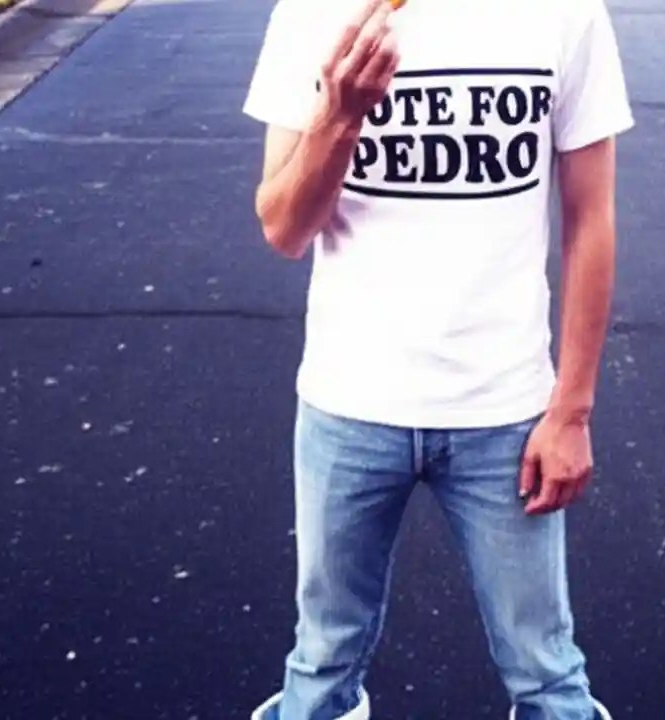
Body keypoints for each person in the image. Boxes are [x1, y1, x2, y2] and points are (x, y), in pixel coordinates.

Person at [242, 0, 634, 717]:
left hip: (506, 413)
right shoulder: (310, 12)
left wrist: (572, 409)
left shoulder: (564, 12)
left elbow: (591, 218)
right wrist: (342, 114)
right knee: (322, 669)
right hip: (349, 404)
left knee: (547, 676)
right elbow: (284, 227)